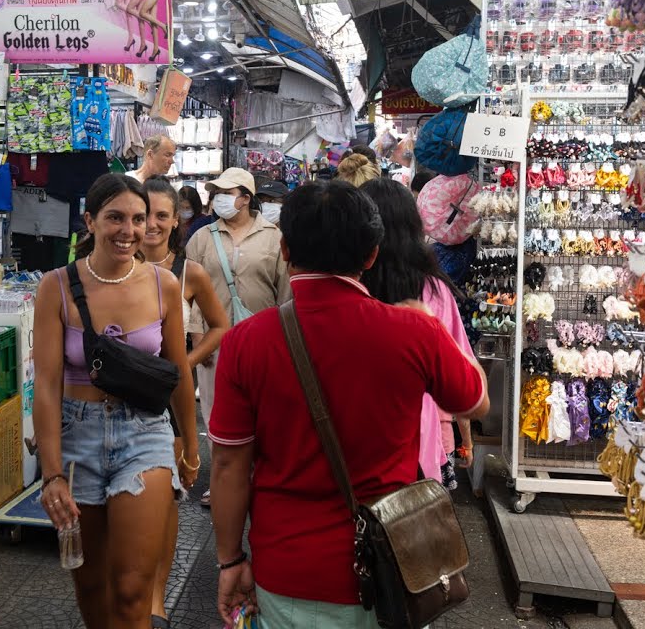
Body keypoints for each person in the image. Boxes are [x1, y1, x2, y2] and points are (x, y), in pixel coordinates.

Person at [208, 180, 489, 628]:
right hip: (388, 569)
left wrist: (229, 561)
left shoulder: (247, 341)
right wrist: (433, 328)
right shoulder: (413, 331)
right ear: (371, 254)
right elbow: (476, 401)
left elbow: (227, 466)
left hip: (286, 568)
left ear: (284, 249)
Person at [31, 174, 200, 629]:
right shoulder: (57, 286)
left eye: (138, 219)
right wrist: (50, 475)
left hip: (143, 433)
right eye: (115, 218)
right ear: (90, 221)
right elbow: (46, 386)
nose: (129, 230)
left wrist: (190, 444)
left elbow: (178, 370)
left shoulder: (164, 285)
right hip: (75, 437)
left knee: (130, 592)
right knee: (90, 587)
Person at [141, 177, 231, 629]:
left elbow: (219, 325)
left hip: (169, 405)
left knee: (165, 505)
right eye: (146, 215)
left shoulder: (188, 272)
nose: (153, 225)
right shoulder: (109, 265)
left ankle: (156, 598)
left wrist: (184, 362)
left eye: (163, 215)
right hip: (113, 404)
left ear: (177, 220)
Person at [359, 178, 477, 489]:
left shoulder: (346, 286)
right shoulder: (433, 290)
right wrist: (465, 438)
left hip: (352, 436)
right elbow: (459, 371)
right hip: (420, 440)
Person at [184, 167, 290, 507]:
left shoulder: (274, 237)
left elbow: (285, 292)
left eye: (226, 193)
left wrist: (284, 339)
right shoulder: (202, 238)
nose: (218, 199)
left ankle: (261, 476)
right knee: (216, 412)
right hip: (213, 341)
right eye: (215, 193)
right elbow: (189, 293)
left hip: (264, 339)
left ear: (245, 198)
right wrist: (197, 336)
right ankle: (224, 481)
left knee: (263, 412)